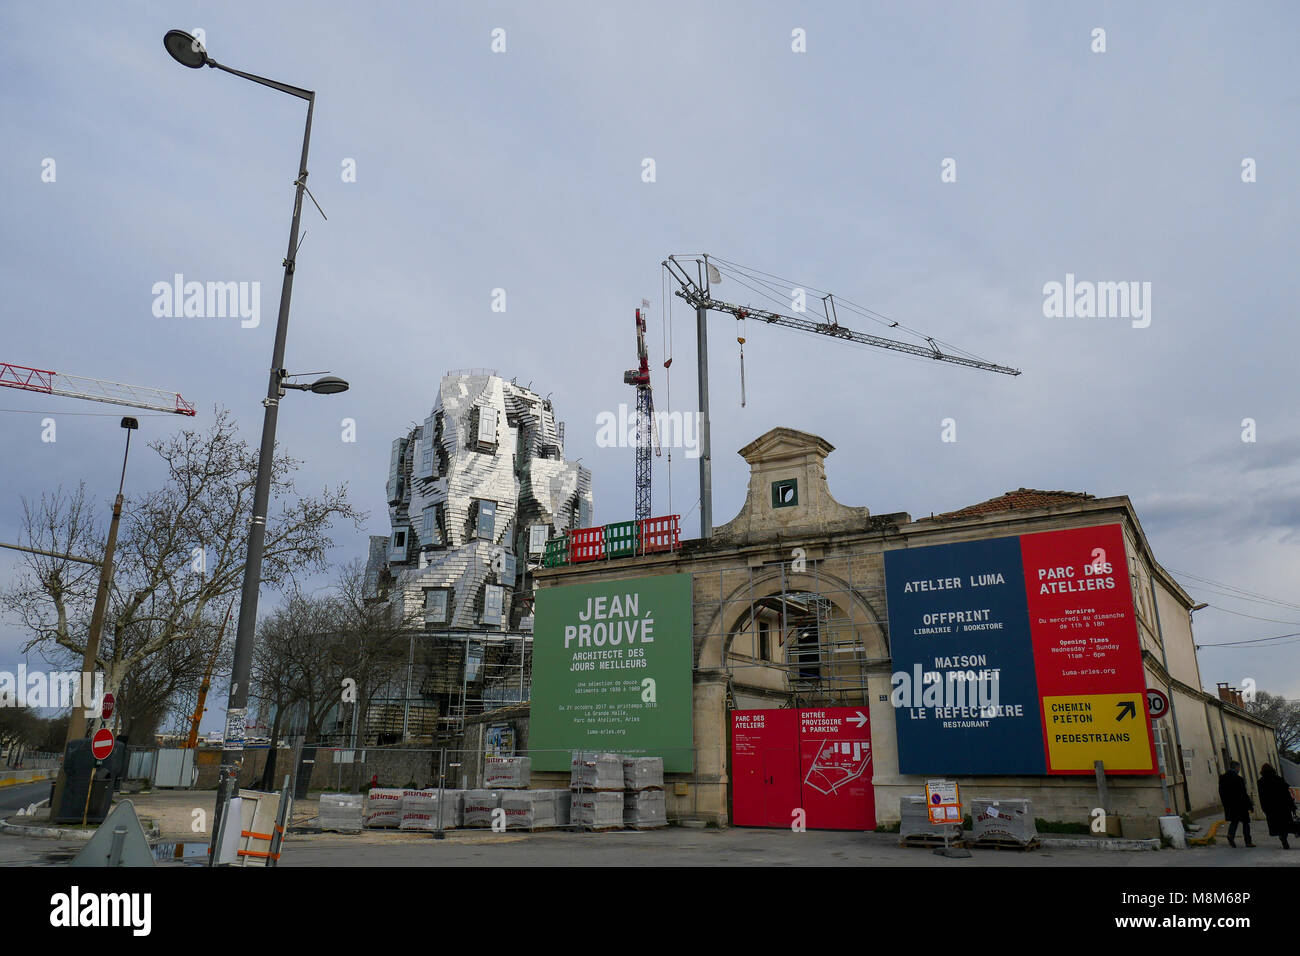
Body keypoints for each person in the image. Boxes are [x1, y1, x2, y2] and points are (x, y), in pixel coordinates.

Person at [1257, 763, 1296, 850]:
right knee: (1285, 823)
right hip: (1283, 806)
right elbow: (1286, 794)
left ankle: (1282, 838)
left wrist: (1264, 808)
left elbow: (1262, 796)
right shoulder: (1279, 779)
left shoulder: (1261, 782)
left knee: (1277, 825)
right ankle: (1284, 837)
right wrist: (1292, 806)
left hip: (1271, 807)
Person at [1218, 760, 1254, 847]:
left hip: (1229, 804)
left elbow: (1221, 792)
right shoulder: (1239, 779)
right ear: (1236, 767)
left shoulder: (1222, 778)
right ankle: (1248, 841)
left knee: (1234, 821)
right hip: (1240, 805)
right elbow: (1243, 794)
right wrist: (1250, 805)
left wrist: (1225, 803)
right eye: (1239, 768)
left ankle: (1231, 835)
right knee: (1245, 823)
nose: (1239, 769)